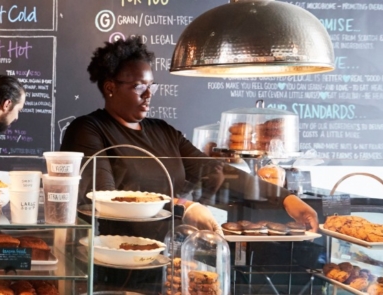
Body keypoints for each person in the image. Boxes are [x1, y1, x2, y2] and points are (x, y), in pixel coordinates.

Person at [59, 37, 318, 293]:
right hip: (112, 267)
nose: (148, 95)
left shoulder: (162, 131)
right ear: (110, 87)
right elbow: (105, 197)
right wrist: (183, 207)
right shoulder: (88, 130)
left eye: (151, 86)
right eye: (139, 87)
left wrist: (285, 199)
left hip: (163, 263)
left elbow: (215, 171)